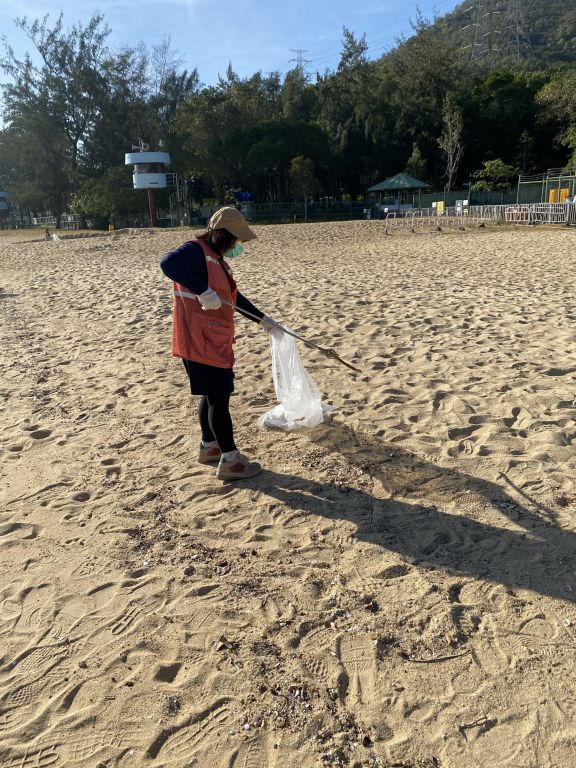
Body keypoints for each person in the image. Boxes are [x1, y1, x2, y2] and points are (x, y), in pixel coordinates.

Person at [160, 207, 275, 480]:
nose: (237, 245)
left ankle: (209, 447)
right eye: (236, 239)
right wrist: (202, 290)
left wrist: (262, 319)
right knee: (219, 399)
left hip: (210, 337)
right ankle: (231, 461)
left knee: (211, 395)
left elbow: (233, 297)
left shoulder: (216, 259)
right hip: (200, 339)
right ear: (224, 235)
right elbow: (168, 264)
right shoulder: (195, 250)